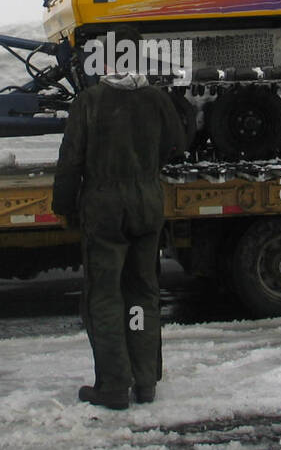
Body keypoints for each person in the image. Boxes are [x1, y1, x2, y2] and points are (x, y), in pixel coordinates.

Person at [52, 65, 186, 410]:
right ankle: (144, 382)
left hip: (105, 209)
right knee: (142, 292)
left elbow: (70, 161)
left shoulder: (89, 102)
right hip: (146, 205)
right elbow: (178, 144)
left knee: (106, 296)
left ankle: (113, 385)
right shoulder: (156, 99)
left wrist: (64, 205)